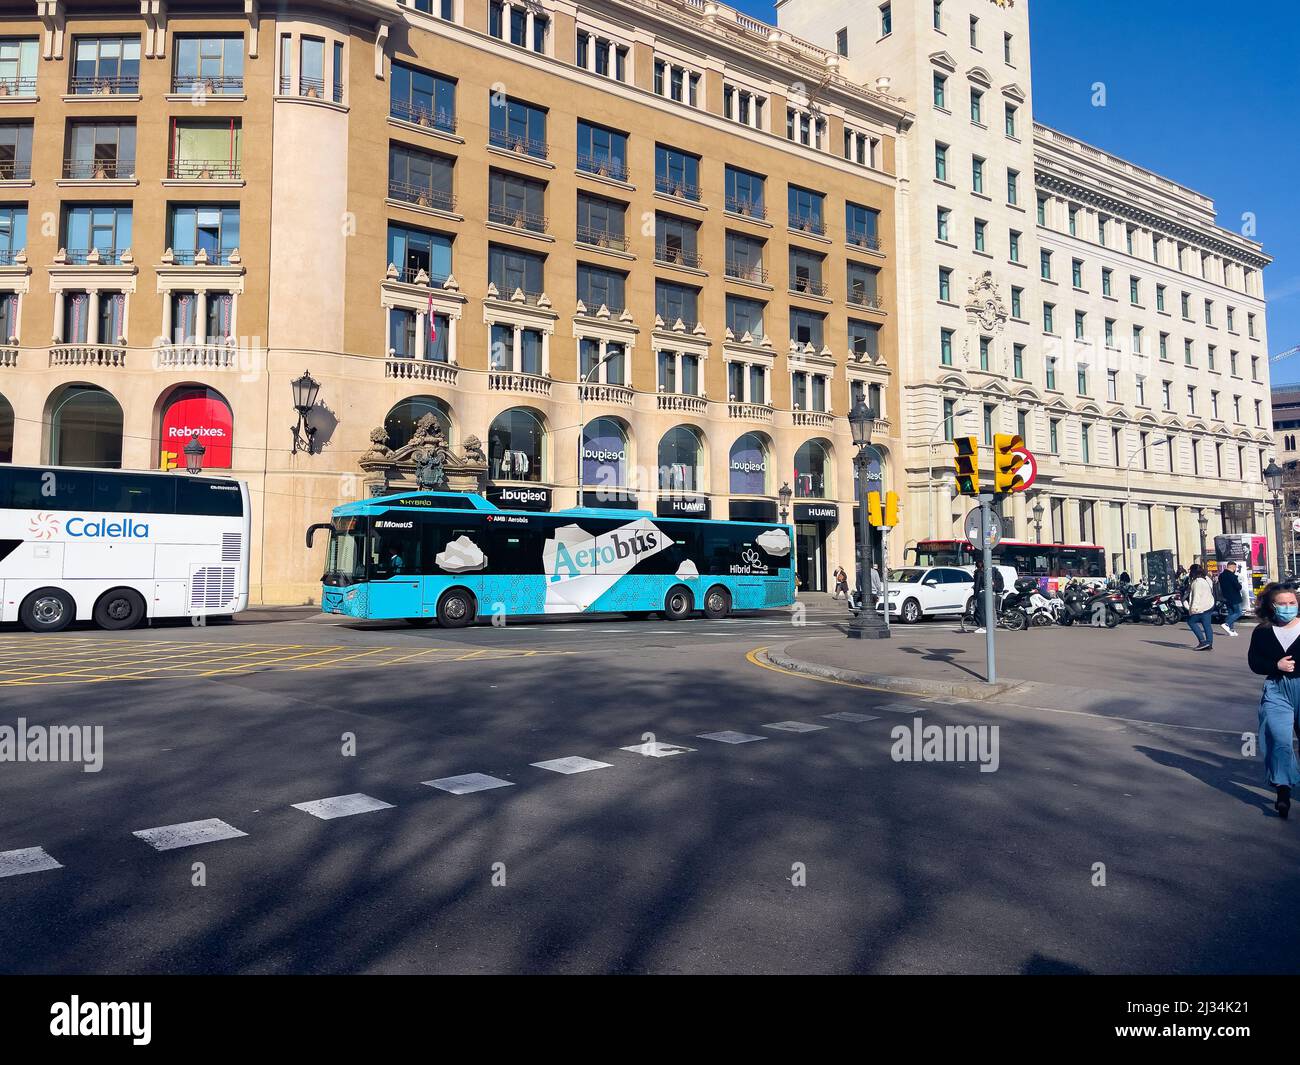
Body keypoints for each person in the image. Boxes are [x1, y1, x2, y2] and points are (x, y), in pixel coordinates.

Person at [1247, 583, 1300, 819]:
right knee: (1279, 739)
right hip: (1277, 691)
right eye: (1282, 603)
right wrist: (1275, 666)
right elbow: (1254, 663)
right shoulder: (1262, 631)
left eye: (1292, 603)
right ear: (1272, 606)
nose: (1288, 607)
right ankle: (1283, 791)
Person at [1185, 563, 1215, 650]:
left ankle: (1202, 641)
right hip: (1209, 604)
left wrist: (1193, 608)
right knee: (1207, 625)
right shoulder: (1207, 579)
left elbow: (1196, 596)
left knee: (1191, 622)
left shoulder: (1196, 582)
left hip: (1201, 606)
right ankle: (1209, 642)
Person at [1219, 561, 1245, 637]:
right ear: (1233, 567)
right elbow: (1238, 587)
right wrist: (1239, 584)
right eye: (1235, 567)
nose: (1236, 569)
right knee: (1238, 612)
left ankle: (1231, 630)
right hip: (1234, 597)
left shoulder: (1221, 575)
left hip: (1226, 597)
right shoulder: (1232, 576)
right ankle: (1226, 624)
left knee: (1231, 613)